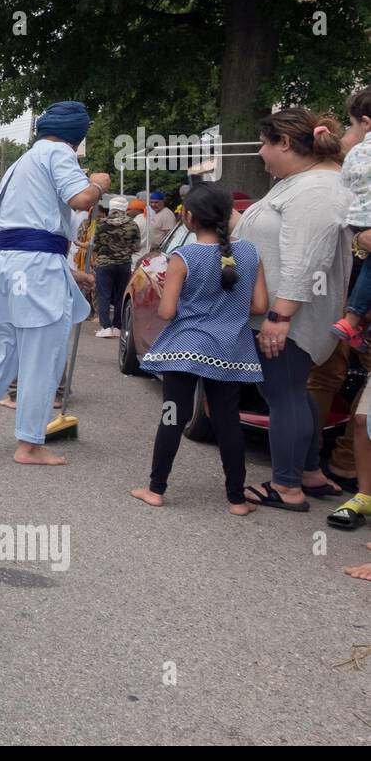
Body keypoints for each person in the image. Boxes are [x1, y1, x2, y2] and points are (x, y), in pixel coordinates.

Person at [0, 101, 108, 465]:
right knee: (42, 353)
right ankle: (29, 444)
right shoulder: (59, 155)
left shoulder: (18, 164)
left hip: (4, 264)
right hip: (36, 265)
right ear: (78, 135)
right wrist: (98, 184)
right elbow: (81, 198)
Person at [234, 108, 351, 510]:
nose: (262, 154)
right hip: (286, 311)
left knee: (283, 393)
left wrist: (280, 316)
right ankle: (307, 472)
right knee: (290, 392)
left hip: (291, 315)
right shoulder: (303, 183)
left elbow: (306, 259)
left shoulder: (317, 188)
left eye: (265, 144)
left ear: (285, 142)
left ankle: (287, 486)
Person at [130, 184, 268, 514]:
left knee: (172, 416)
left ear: (189, 218)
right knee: (227, 421)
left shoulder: (185, 256)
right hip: (231, 349)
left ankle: (156, 489)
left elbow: (166, 311)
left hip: (186, 348)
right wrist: (228, 310)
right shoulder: (249, 253)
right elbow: (260, 305)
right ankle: (236, 499)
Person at [331, 88, 371, 351]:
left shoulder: (356, 152)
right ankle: (354, 318)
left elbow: (345, 184)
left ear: (365, 122)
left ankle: (353, 317)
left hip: (358, 216)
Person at [92, 195, 141, 338]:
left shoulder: (101, 224)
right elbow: (137, 247)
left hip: (104, 264)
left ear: (111, 208)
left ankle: (105, 326)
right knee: (120, 295)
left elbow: (95, 245)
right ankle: (118, 326)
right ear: (124, 209)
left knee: (104, 295)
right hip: (124, 264)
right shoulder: (133, 225)